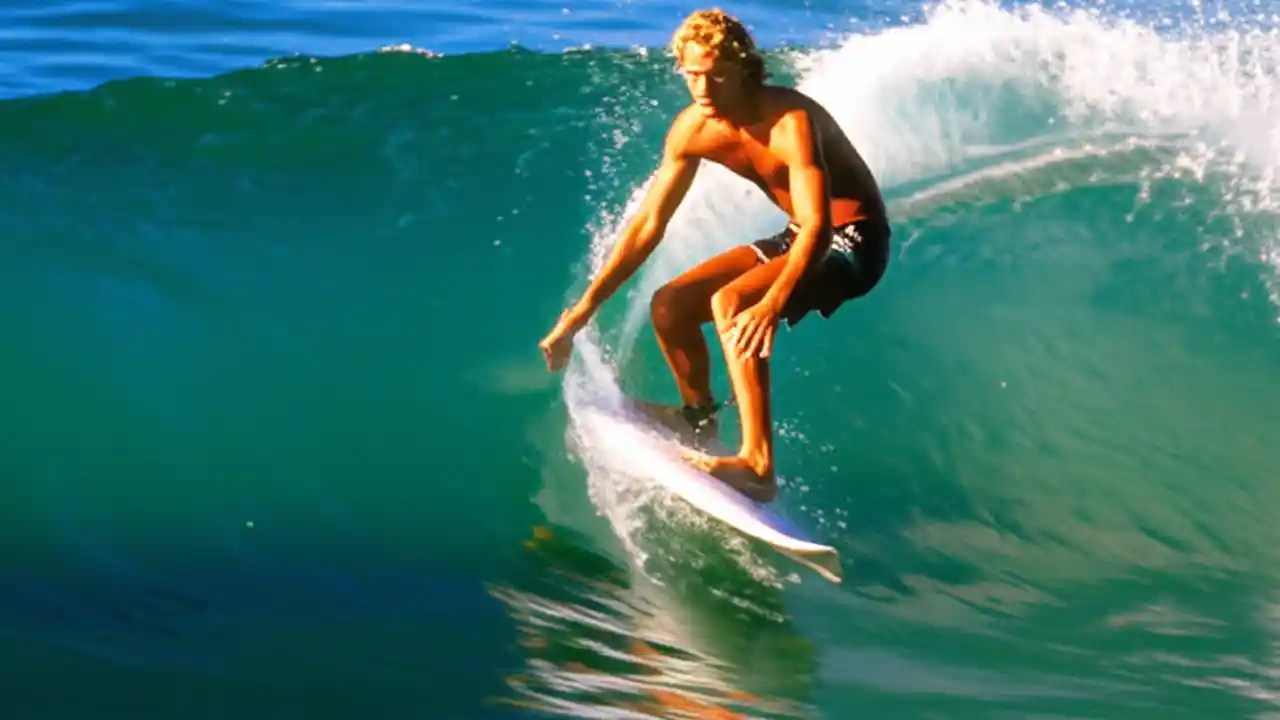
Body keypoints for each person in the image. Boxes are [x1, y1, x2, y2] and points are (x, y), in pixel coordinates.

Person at [539, 8, 891, 502]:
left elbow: (819, 225)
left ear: (744, 70)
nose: (702, 90)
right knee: (671, 305)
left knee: (734, 303)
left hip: (853, 242)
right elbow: (646, 227)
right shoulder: (693, 129)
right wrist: (579, 314)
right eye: (692, 75)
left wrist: (770, 303)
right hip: (799, 235)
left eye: (716, 76)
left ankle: (758, 466)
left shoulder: (790, 121)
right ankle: (697, 421)